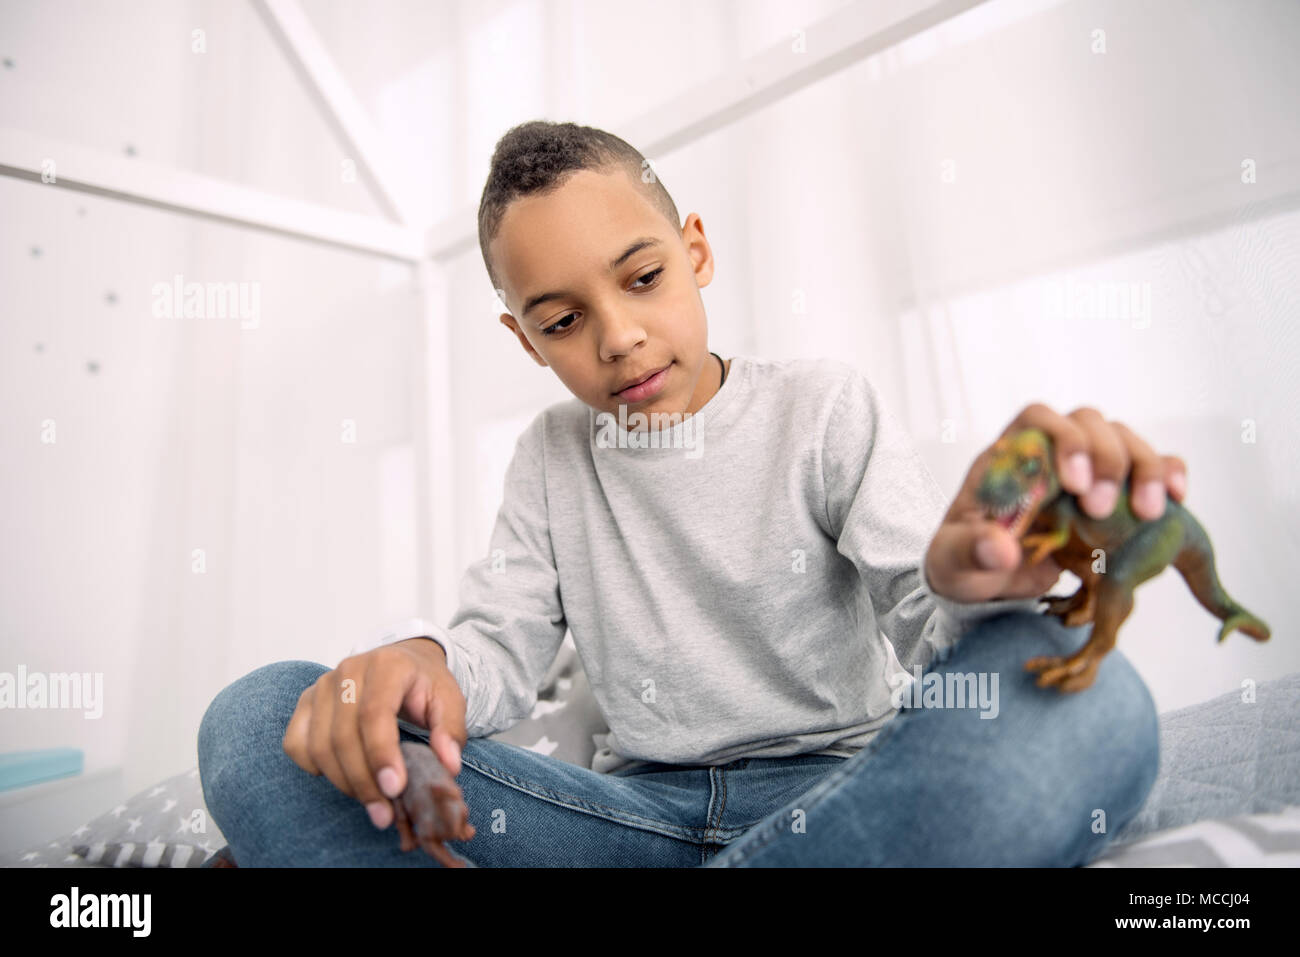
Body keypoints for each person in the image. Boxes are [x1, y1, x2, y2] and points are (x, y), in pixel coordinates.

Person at [198, 120, 1186, 867]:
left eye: (641, 278)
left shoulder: (821, 404)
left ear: (695, 252)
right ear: (524, 341)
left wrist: (976, 577)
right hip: (633, 825)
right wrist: (422, 661)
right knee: (262, 719)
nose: (617, 336)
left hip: (847, 795)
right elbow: (496, 648)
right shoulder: (551, 456)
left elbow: (926, 618)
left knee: (1090, 696)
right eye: (561, 320)